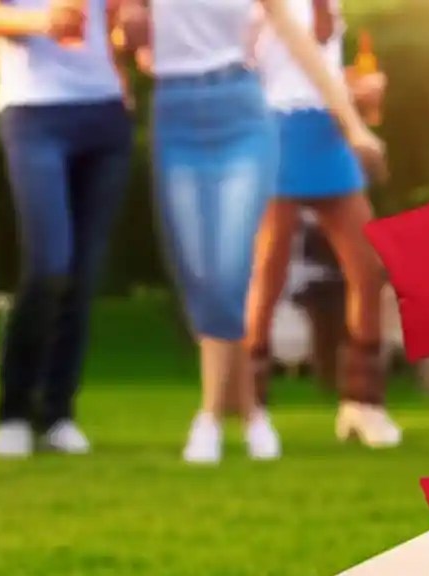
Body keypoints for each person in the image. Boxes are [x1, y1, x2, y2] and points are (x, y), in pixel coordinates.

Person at [114, 0, 386, 464]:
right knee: (220, 278)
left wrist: (355, 121)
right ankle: (252, 409)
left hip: (257, 114)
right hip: (213, 112)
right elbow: (127, 38)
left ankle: (218, 417)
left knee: (236, 271)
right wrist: (129, 37)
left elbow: (310, 51)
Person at [0, 0, 134, 458]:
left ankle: (58, 413)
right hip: (33, 113)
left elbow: (118, 21)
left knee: (82, 277)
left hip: (103, 116)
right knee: (48, 266)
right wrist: (42, 20)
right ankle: (14, 412)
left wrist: (124, 48)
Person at [244, 0, 401, 449]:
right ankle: (250, 401)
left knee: (368, 268)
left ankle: (363, 402)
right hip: (278, 125)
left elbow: (322, 69)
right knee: (269, 269)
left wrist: (359, 90)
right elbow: (249, 60)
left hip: (329, 131)